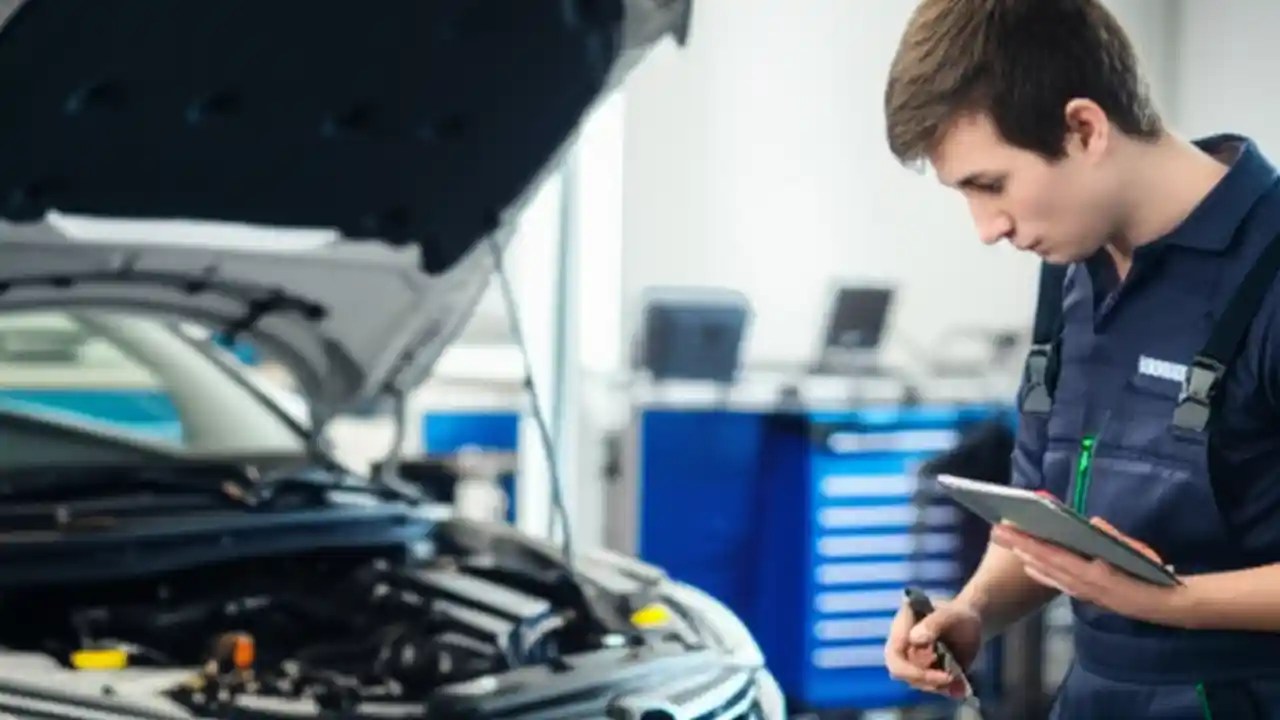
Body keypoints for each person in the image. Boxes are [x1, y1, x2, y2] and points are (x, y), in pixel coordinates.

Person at [880, 0, 1280, 717]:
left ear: (1085, 127)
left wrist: (1179, 604)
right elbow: (1045, 522)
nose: (986, 229)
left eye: (990, 184)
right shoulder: (1069, 272)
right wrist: (972, 612)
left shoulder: (1271, 273)